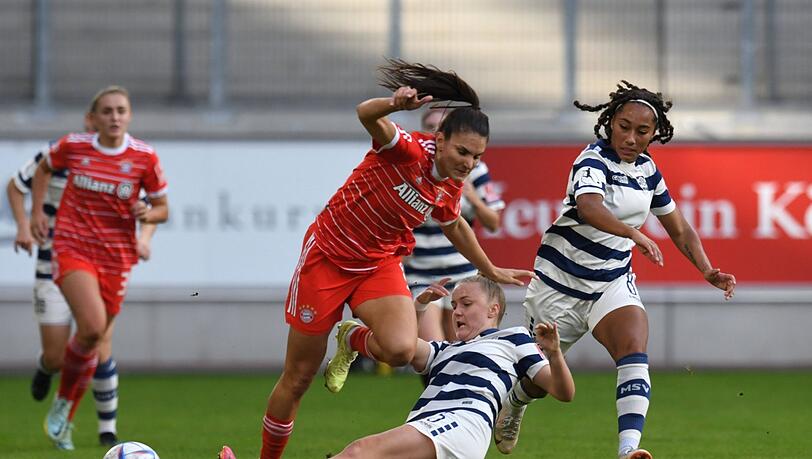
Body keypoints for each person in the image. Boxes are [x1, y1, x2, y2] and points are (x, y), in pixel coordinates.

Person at [247, 59, 535, 459]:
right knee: (298, 377)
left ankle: (352, 337)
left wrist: (489, 269)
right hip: (327, 259)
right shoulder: (407, 149)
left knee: (402, 350)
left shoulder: (451, 183)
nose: (469, 163)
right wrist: (393, 104)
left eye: (477, 157)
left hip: (378, 265)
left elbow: (454, 225)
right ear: (440, 137)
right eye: (463, 152)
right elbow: (365, 114)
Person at [493, 81, 737, 459]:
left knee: (633, 347)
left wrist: (707, 270)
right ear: (610, 122)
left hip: (611, 282)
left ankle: (628, 451)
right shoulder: (592, 159)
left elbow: (679, 227)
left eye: (642, 131)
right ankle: (516, 402)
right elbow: (590, 206)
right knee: (539, 382)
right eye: (624, 127)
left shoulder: (648, 170)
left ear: (655, 133)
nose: (631, 138)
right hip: (560, 285)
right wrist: (633, 234)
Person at [29, 85, 169, 451]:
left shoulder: (144, 157)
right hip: (73, 247)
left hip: (117, 258)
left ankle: (63, 411)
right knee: (92, 326)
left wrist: (147, 214)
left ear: (130, 115)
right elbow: (43, 170)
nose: (114, 116)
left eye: (121, 110)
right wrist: (37, 213)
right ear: (95, 118)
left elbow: (162, 208)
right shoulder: (74, 146)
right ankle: (68, 412)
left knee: (92, 339)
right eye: (107, 111)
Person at [328, 275, 574, 459]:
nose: (457, 312)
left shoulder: (513, 338)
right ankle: (351, 335)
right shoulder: (443, 350)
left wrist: (554, 354)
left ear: (493, 309)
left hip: (460, 423)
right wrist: (420, 306)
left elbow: (564, 392)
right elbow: (402, 345)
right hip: (425, 424)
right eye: (454, 306)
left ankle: (351, 335)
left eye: (466, 304)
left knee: (358, 453)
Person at [404, 107, 505, 387]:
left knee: (465, 347)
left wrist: (471, 195)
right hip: (423, 272)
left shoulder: (474, 170)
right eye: (431, 125)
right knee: (432, 348)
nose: (468, 160)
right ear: (438, 138)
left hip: (461, 271)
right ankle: (438, 406)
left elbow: (493, 220)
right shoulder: (413, 167)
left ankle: (468, 407)